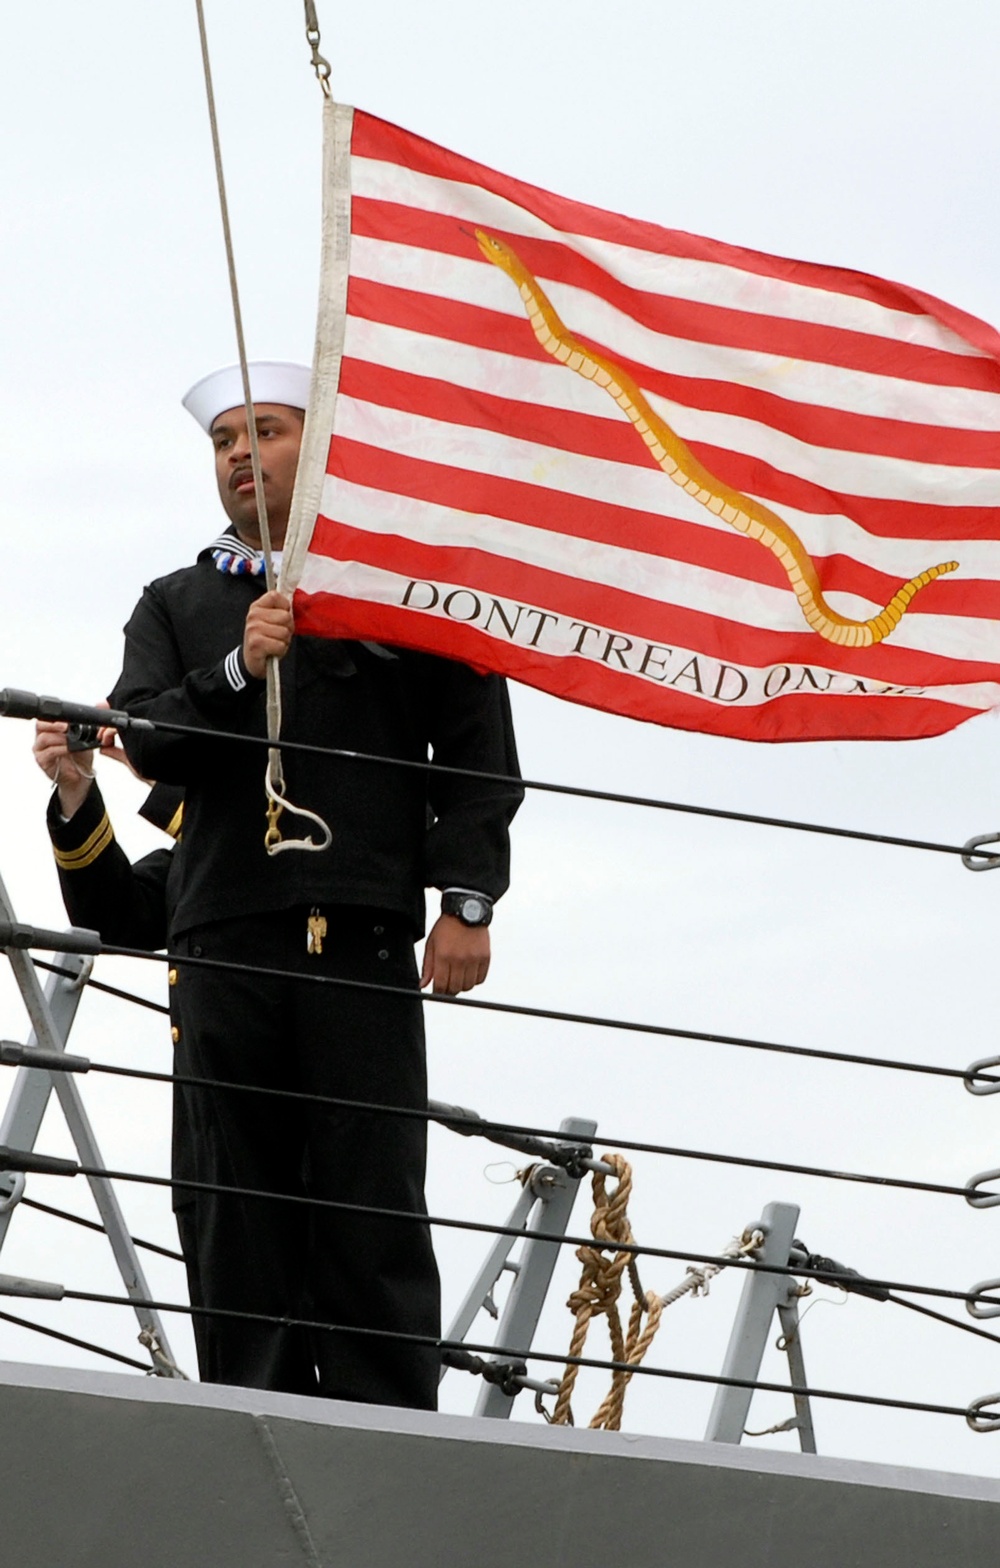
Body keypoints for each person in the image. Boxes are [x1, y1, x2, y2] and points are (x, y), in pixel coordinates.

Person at [107, 360, 523, 1408]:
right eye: (224, 440)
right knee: (232, 1198)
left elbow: (477, 762)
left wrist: (465, 901)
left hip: (362, 937)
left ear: (321, 440)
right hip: (222, 942)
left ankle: (390, 1422)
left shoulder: (410, 591)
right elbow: (147, 739)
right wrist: (239, 672)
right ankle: (251, 1411)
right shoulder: (176, 601)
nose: (241, 453)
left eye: (268, 431)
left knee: (371, 1194)